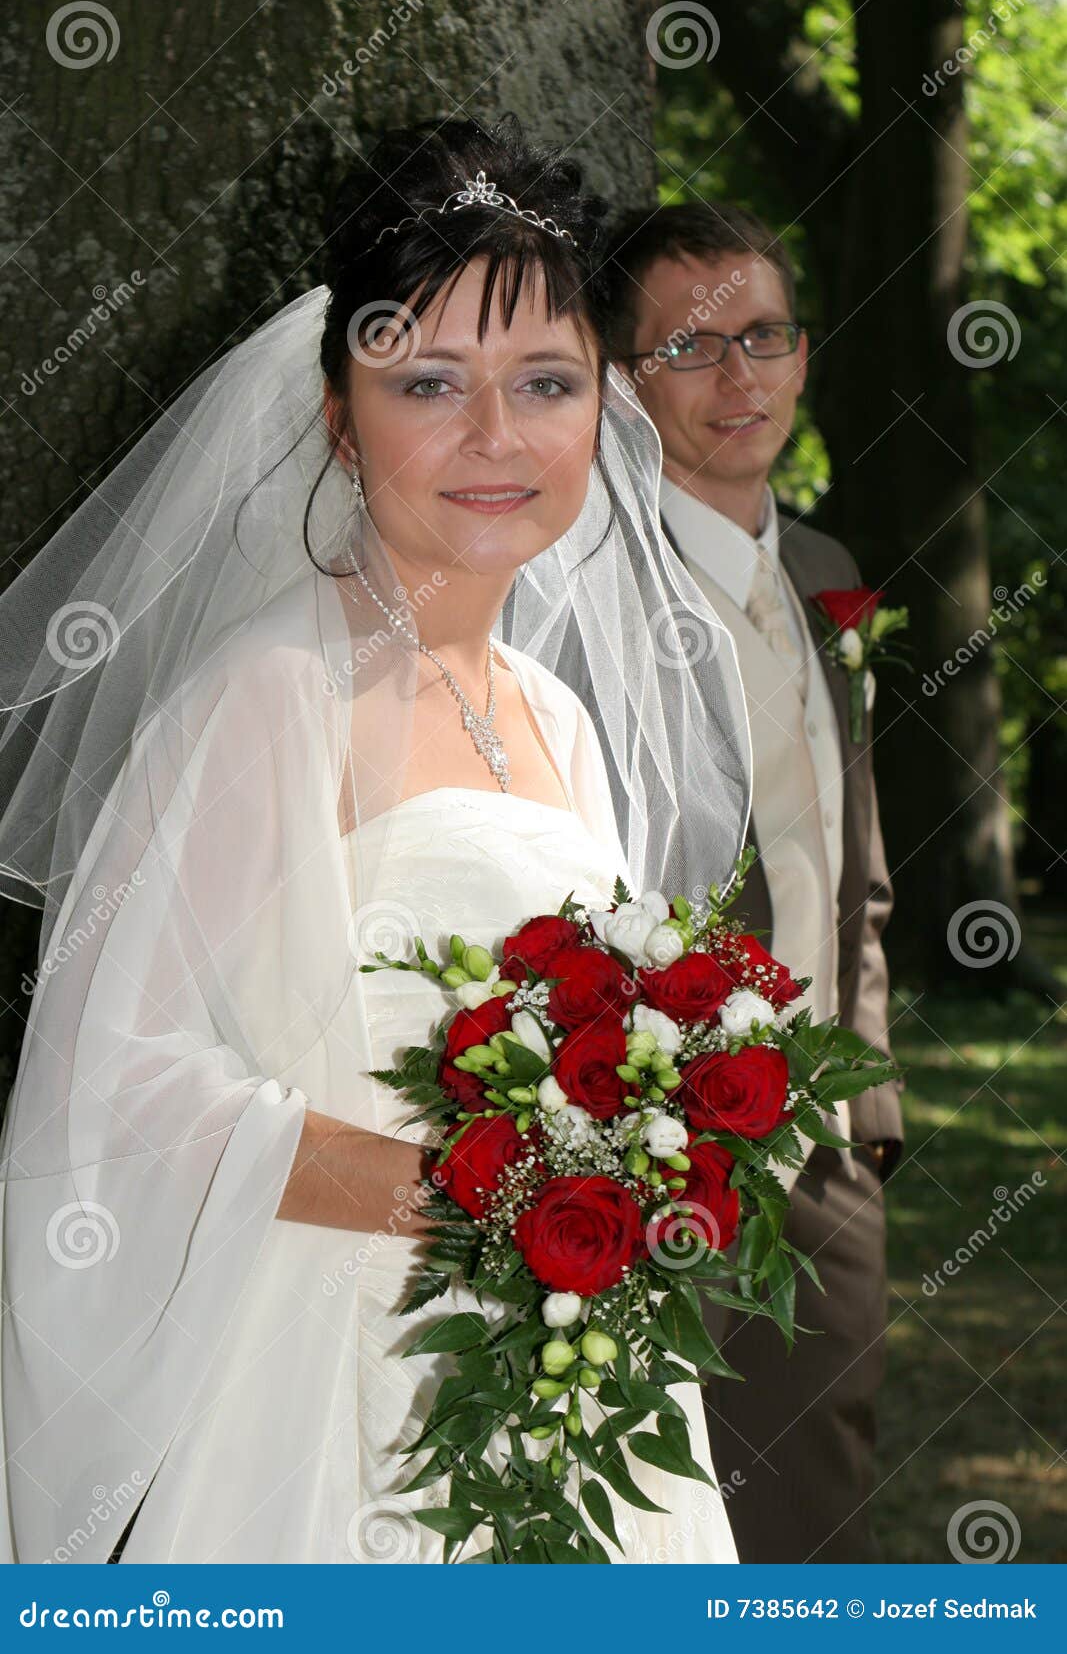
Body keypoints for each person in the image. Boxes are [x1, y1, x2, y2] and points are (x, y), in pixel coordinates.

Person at [0, 117, 753, 1564]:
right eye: (428, 383)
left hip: (572, 1375)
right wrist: (482, 1195)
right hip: (341, 1410)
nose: (497, 437)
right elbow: (117, 1085)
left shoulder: (558, 720)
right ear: (341, 420)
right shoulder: (270, 694)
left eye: (546, 382)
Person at [600, 201, 904, 1562]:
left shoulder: (831, 573)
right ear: (626, 380)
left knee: (812, 1521)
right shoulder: (587, 588)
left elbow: (855, 874)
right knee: (648, 1522)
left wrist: (869, 1107)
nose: (740, 375)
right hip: (644, 1147)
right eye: (691, 346)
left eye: (765, 335)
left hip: (826, 1151)